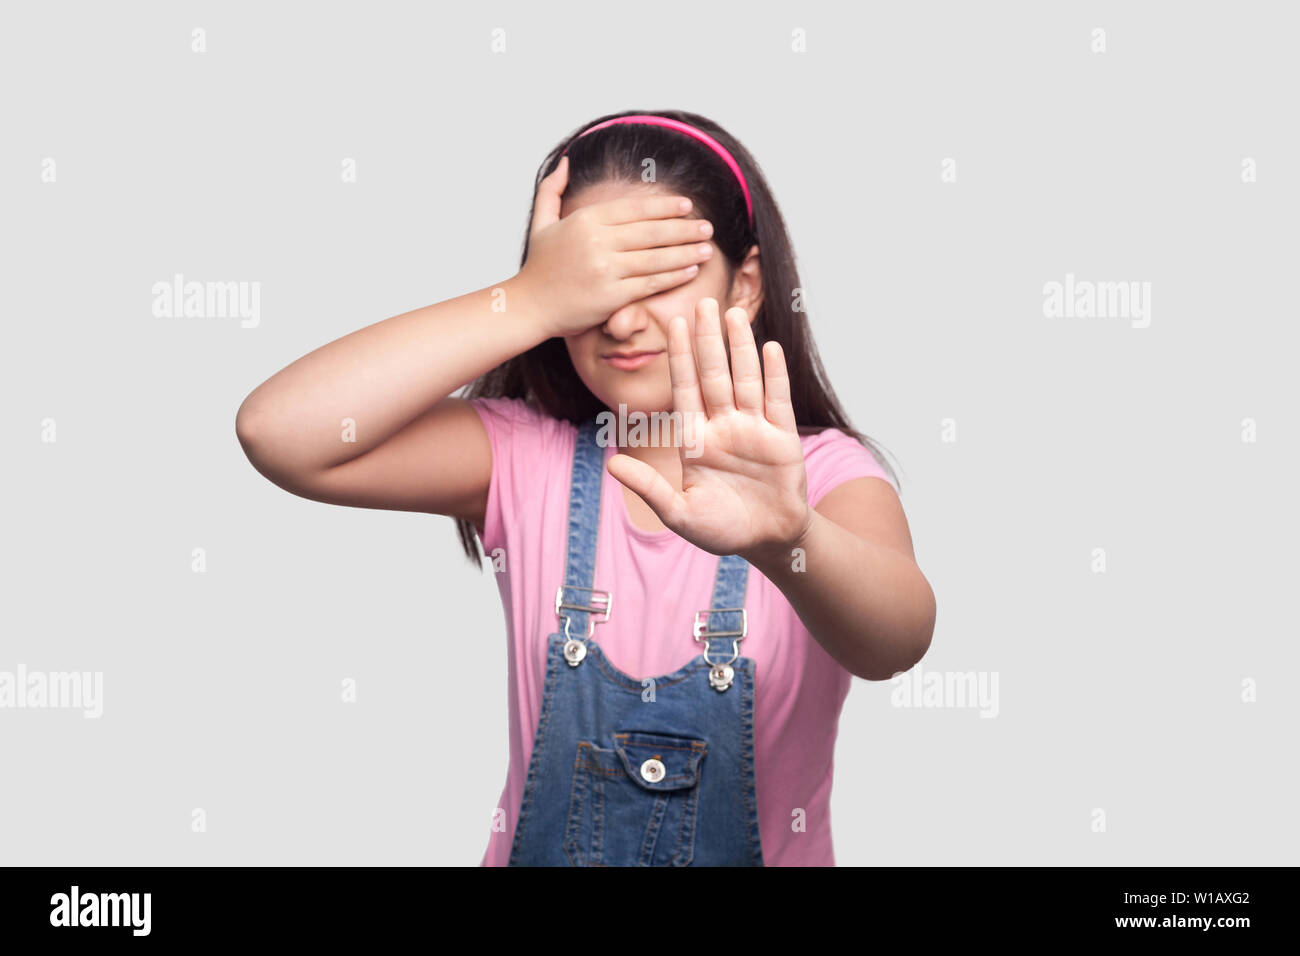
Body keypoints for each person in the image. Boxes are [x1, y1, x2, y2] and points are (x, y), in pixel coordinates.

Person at [235, 109, 937, 866]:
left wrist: (790, 540)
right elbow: (281, 432)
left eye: (659, 277)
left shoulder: (822, 475)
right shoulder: (523, 454)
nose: (621, 320)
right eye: (593, 284)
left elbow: (895, 640)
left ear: (745, 286)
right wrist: (528, 300)